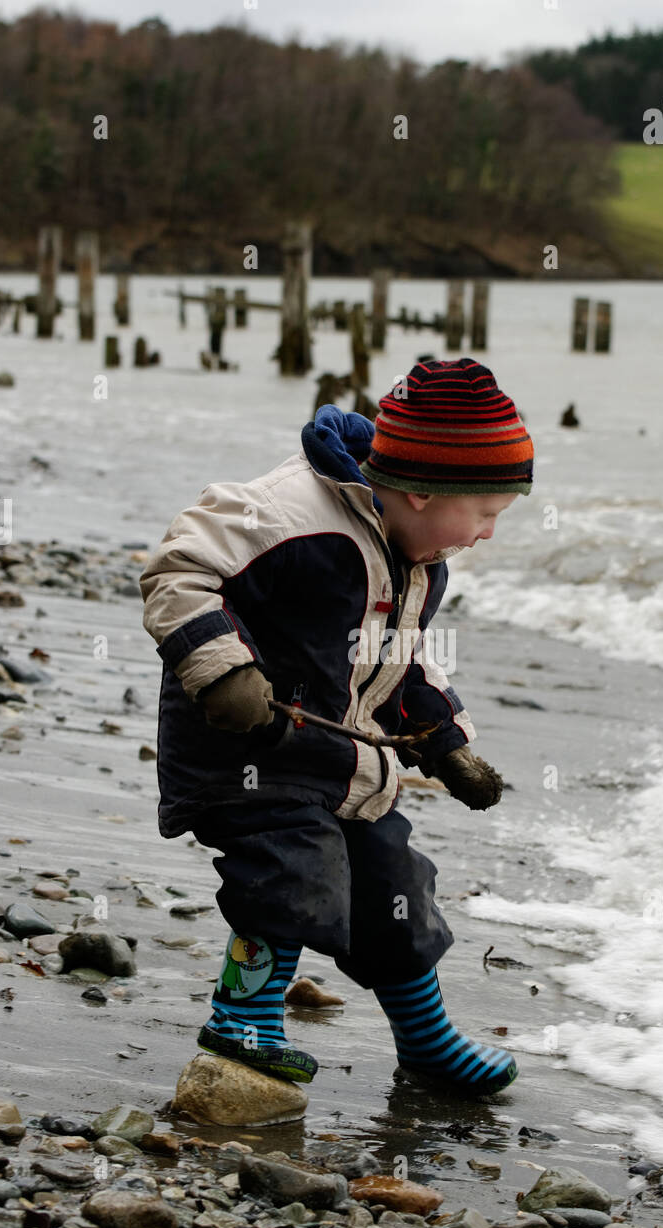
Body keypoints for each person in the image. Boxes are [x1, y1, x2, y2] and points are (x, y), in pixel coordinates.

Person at [139, 357, 534, 1096]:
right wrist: (224, 669)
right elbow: (177, 570)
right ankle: (243, 1012)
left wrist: (445, 745)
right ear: (422, 489)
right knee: (293, 868)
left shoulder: (419, 555)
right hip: (245, 746)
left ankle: (425, 1041)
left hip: (340, 756)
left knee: (396, 886)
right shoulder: (290, 514)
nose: (485, 534)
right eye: (484, 512)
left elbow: (398, 665)